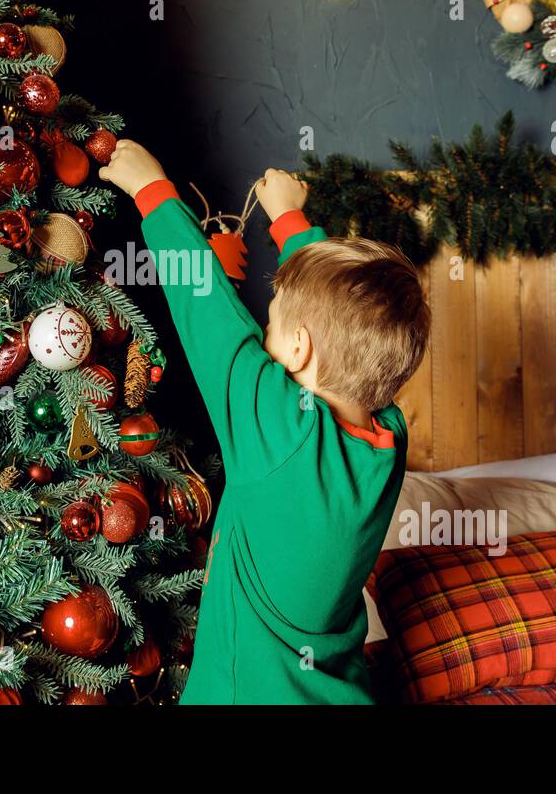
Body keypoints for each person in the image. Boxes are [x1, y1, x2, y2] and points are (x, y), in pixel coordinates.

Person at [100, 141, 431, 704]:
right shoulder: (388, 437)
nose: (262, 335)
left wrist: (151, 191)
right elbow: (344, 315)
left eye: (272, 325)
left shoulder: (279, 427)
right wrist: (290, 222)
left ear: (299, 350)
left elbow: (206, 307)